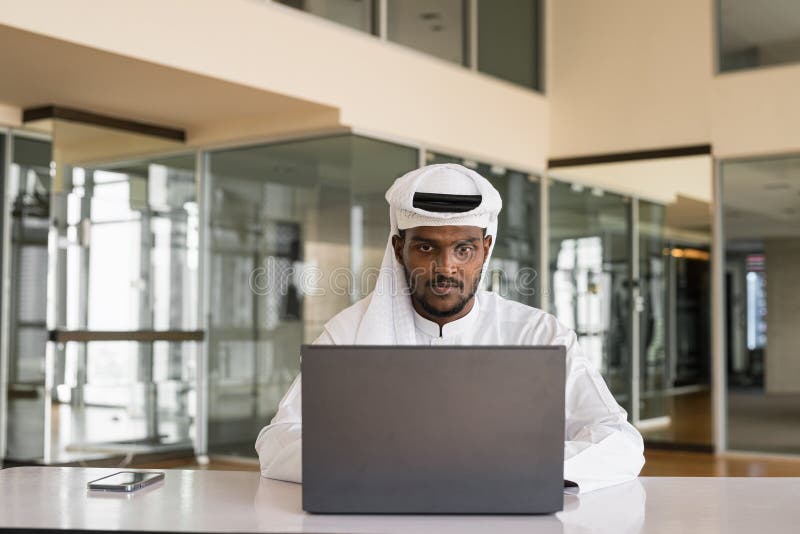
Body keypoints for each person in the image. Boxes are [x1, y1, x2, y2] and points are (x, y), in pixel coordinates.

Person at [255, 163, 645, 493]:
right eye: (426, 247)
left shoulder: (539, 335)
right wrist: (379, 462)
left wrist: (522, 467)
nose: (445, 267)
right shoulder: (349, 333)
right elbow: (277, 442)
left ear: (486, 249)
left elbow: (620, 441)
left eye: (464, 249)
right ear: (398, 248)